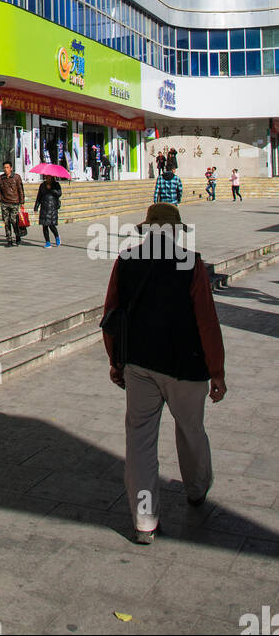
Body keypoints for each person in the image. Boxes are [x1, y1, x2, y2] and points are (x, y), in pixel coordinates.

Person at [102, 203, 226, 544]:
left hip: (140, 364)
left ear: (147, 231)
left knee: (140, 440)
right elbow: (206, 320)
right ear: (175, 232)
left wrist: (116, 360)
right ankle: (197, 489)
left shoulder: (126, 261)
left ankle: (145, 521)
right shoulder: (192, 263)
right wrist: (217, 371)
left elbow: (112, 314)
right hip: (186, 367)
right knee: (191, 430)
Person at [0, 160, 25, 247]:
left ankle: (17, 236)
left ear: (11, 168)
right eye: (4, 168)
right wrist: (0, 199)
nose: (6, 169)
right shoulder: (1, 178)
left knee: (14, 220)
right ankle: (9, 240)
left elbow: (20, 189)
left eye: (7, 167)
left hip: (14, 202)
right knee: (6, 222)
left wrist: (22, 201)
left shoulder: (16, 177)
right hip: (4, 203)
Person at [34, 175, 62, 248]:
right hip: (44, 207)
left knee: (52, 225)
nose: (47, 178)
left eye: (49, 177)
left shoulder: (56, 184)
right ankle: (47, 242)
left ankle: (57, 236)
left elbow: (59, 194)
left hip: (52, 207)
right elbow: (39, 196)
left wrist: (51, 189)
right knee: (44, 225)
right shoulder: (42, 185)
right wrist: (36, 206)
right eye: (46, 177)